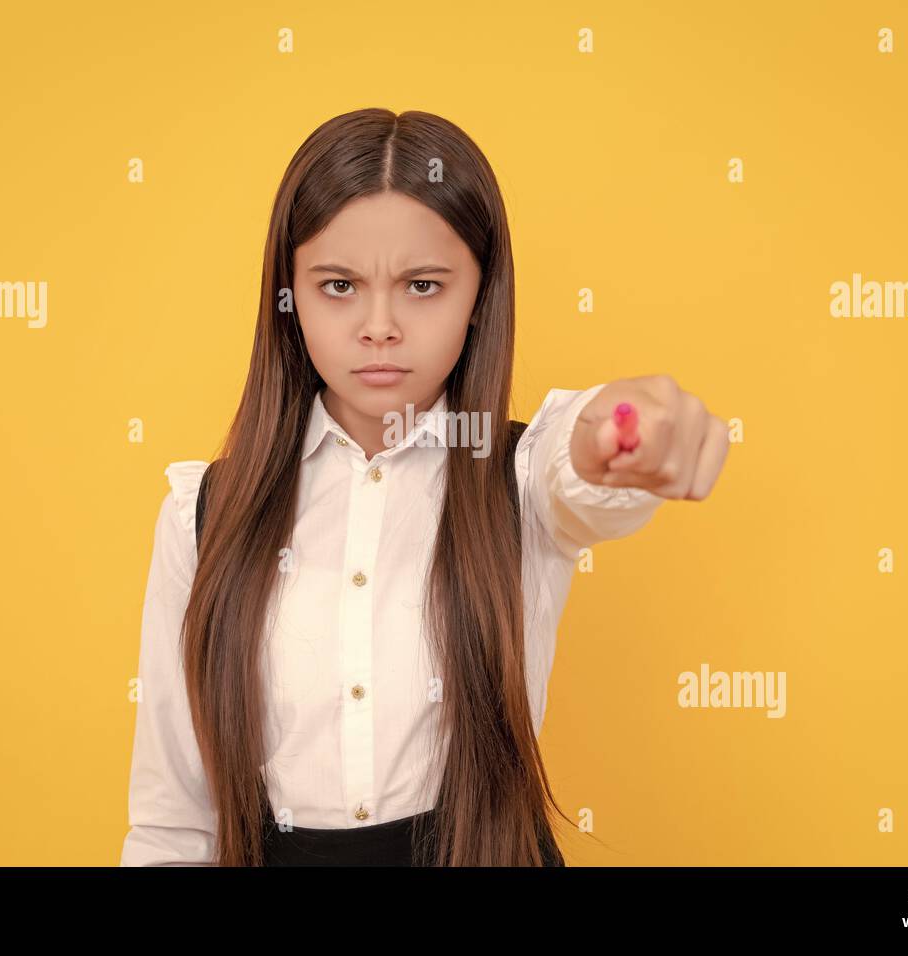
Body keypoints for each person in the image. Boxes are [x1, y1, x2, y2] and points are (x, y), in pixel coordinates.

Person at [120, 108, 730, 866]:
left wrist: (627, 426)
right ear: (289, 296)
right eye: (338, 285)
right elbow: (174, 824)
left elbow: (579, 460)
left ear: (479, 296)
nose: (379, 325)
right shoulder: (201, 516)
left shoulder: (519, 479)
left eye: (423, 285)